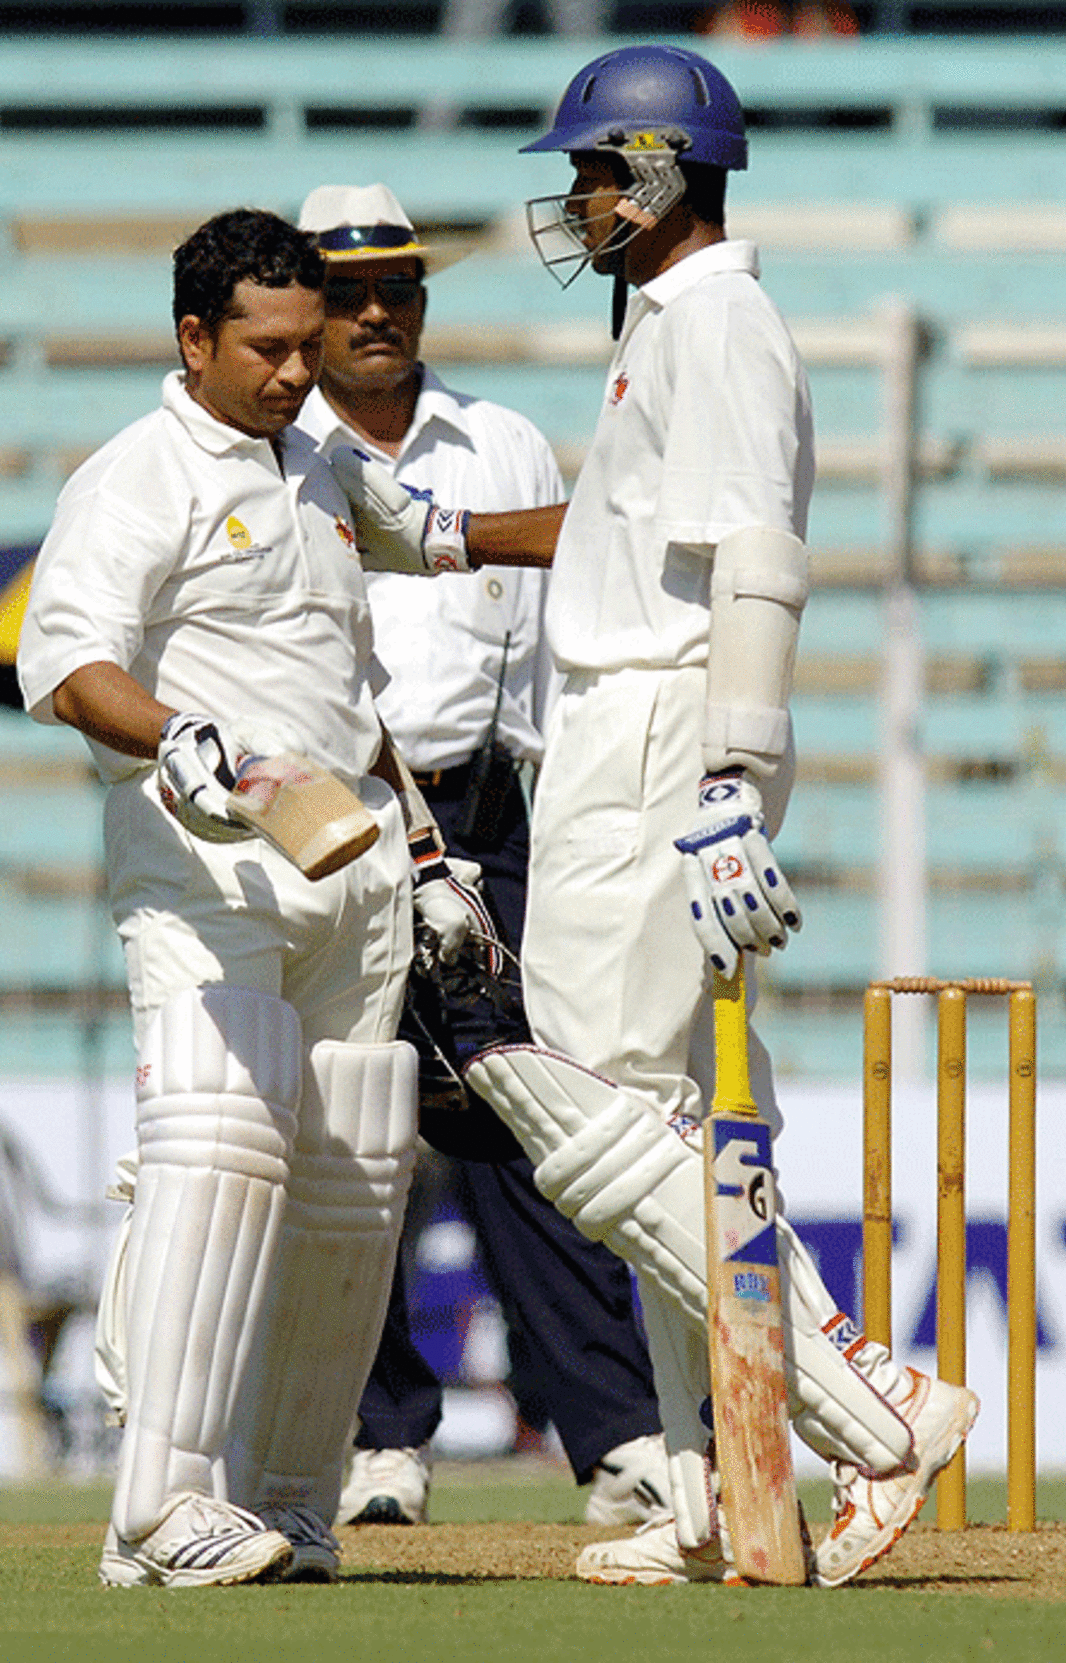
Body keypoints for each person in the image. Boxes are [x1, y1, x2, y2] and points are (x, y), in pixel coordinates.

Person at [330, 45, 978, 1588]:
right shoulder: (669, 329)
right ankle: (711, 1483)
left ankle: (874, 1406)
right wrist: (443, 539)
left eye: (592, 174)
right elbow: (629, 522)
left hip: (665, 736)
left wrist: (733, 780)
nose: (578, 204)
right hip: (625, 733)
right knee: (666, 1124)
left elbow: (757, 554)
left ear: (663, 170)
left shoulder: (725, 325)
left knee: (588, 1120)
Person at [15, 208, 495, 1588]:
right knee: (219, 1155)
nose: (298, 371)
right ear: (195, 339)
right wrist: (175, 734)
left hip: (351, 872)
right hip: (210, 868)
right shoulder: (135, 476)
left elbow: (352, 685)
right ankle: (156, 1507)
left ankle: (287, 1500)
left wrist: (421, 849)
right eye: (270, 349)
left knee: (353, 1171)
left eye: (307, 346)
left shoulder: (319, 471)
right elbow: (68, 664)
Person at [295, 182, 672, 1531]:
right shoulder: (282, 453)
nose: (379, 310)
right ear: (306, 306)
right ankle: (376, 1438)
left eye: (398, 284)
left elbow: (553, 643)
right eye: (348, 292)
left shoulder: (501, 439)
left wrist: (561, 811)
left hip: (484, 812)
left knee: (530, 1122)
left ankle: (615, 1430)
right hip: (334, 826)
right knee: (354, 1130)